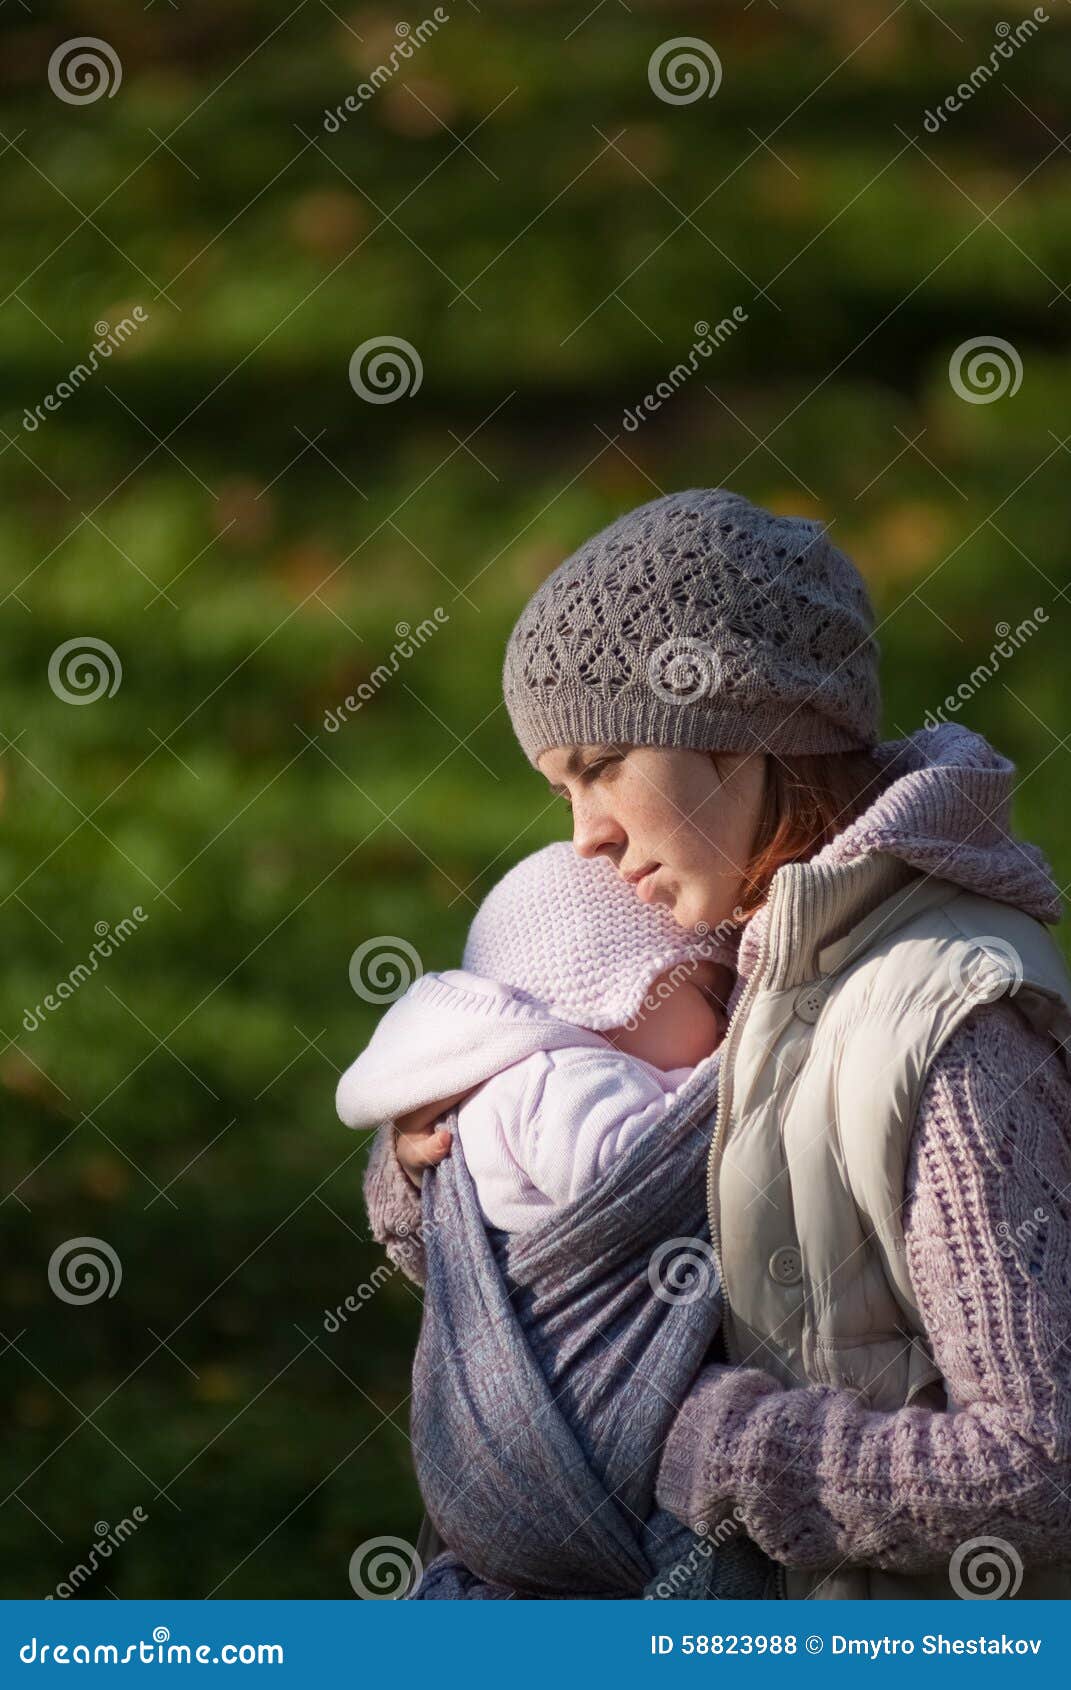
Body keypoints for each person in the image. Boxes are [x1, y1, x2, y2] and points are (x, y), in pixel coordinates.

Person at [362, 487, 1071, 1600]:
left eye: (600, 764)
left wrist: (714, 1446)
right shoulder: (715, 960)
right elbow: (604, 1277)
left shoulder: (950, 1025)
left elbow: (1041, 1472)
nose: (584, 836)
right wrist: (438, 1171)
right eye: (560, 789)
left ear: (742, 726)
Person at [336, 841, 728, 1230]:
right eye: (711, 996)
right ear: (605, 993)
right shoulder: (558, 1077)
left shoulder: (522, 1076)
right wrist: (729, 1075)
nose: (726, 1020)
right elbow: (636, 1172)